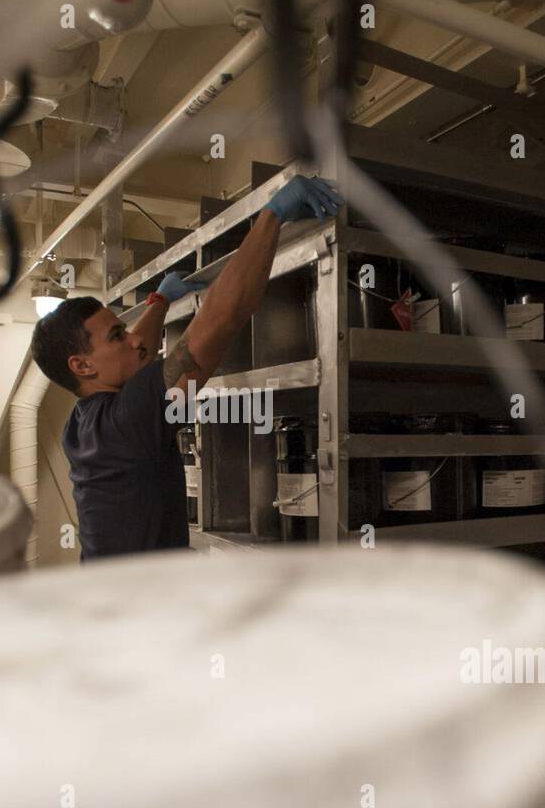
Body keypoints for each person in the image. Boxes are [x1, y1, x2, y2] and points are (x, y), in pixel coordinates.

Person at [30, 175, 344, 561]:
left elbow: (136, 349)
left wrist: (160, 300)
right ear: (81, 365)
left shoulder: (80, 426)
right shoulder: (130, 418)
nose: (133, 339)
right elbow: (221, 320)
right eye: (115, 336)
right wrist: (272, 216)